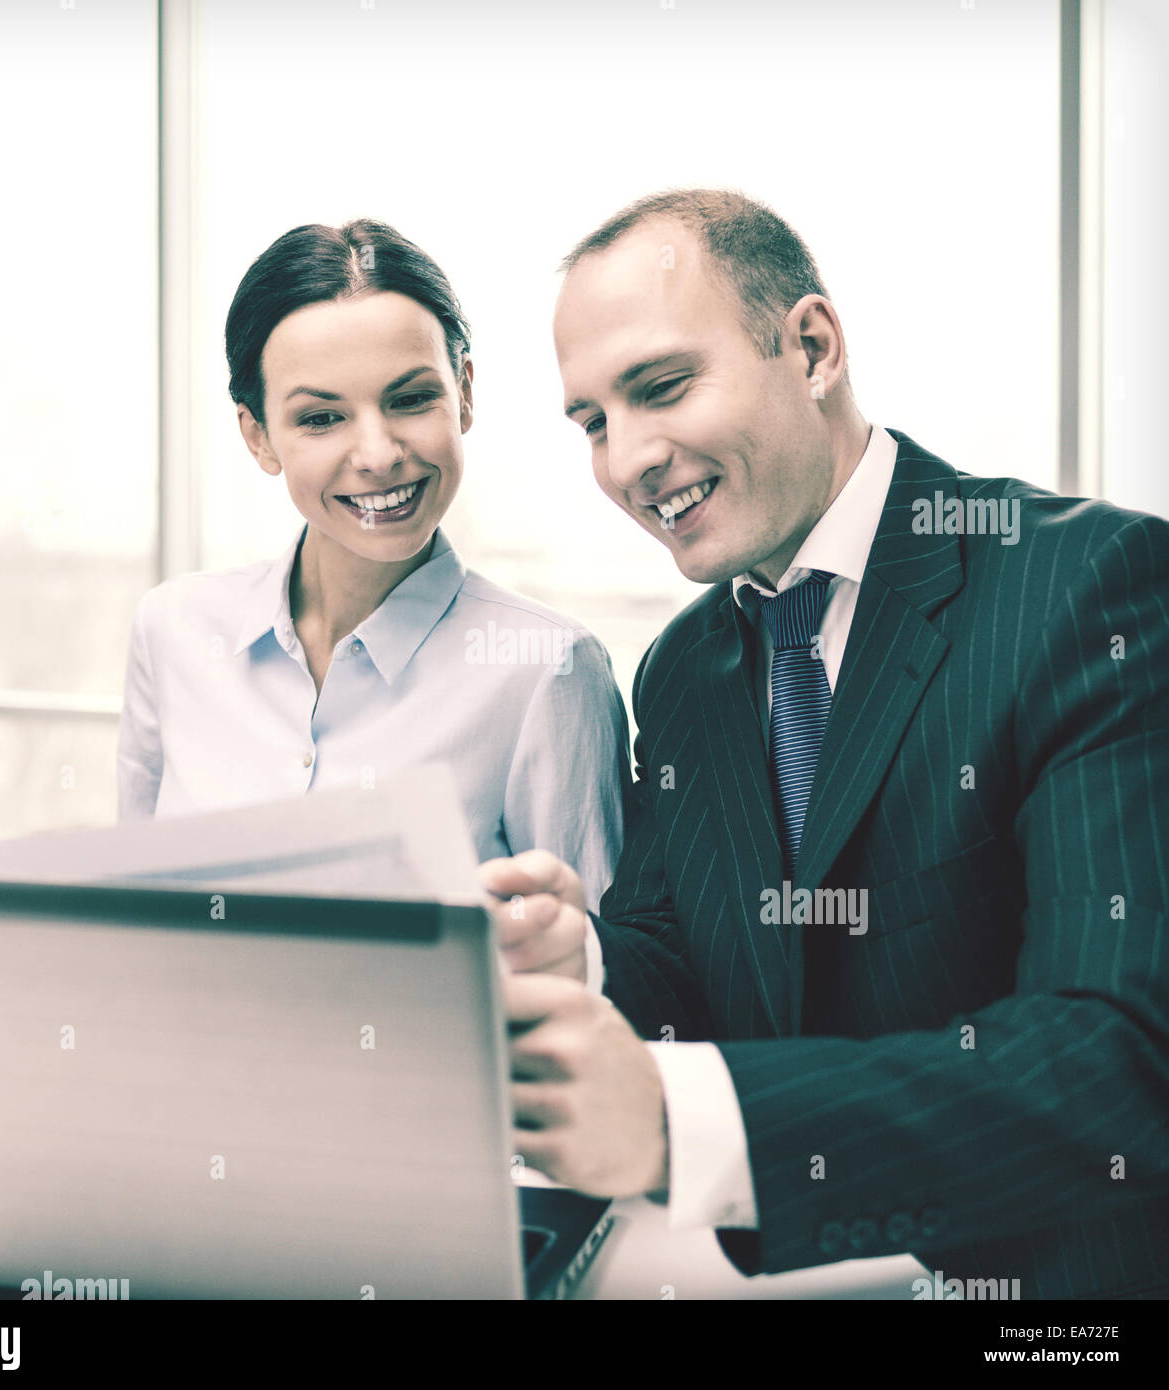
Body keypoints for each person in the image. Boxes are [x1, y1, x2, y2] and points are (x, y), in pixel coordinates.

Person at [484, 188, 1169, 1299]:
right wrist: (585, 963)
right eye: (593, 422)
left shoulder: (1090, 589)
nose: (627, 461)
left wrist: (674, 1117)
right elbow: (693, 973)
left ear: (810, 347)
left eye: (660, 389)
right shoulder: (684, 668)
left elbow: (1118, 1057)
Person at [117, 219, 629, 909]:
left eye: (411, 399)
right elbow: (135, 919)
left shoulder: (550, 669)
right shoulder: (172, 630)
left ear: (465, 394)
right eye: (321, 418)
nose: (379, 453)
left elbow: (589, 966)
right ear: (258, 436)